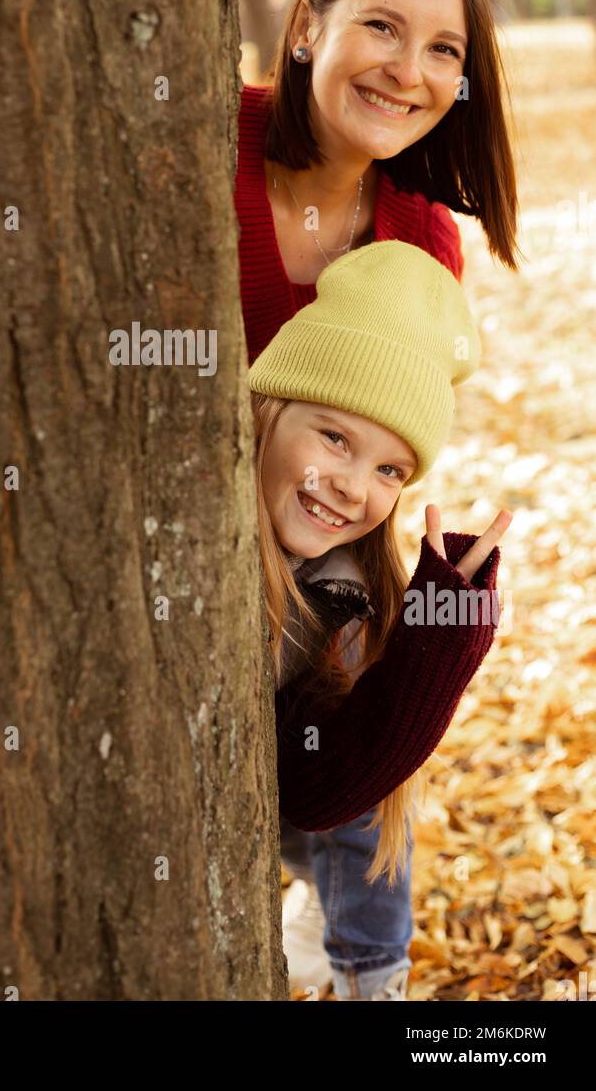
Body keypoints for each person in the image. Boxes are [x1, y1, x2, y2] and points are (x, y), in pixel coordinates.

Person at [247, 241, 513, 999]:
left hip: (291, 815)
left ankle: (372, 971)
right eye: (334, 437)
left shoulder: (345, 593)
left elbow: (323, 794)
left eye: (390, 469)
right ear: (269, 406)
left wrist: (439, 639)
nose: (352, 488)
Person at [236, 0, 520, 366]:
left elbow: (393, 433)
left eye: (443, 50)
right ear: (306, 29)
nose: (407, 74)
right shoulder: (208, 144)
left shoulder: (424, 244)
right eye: (381, 27)